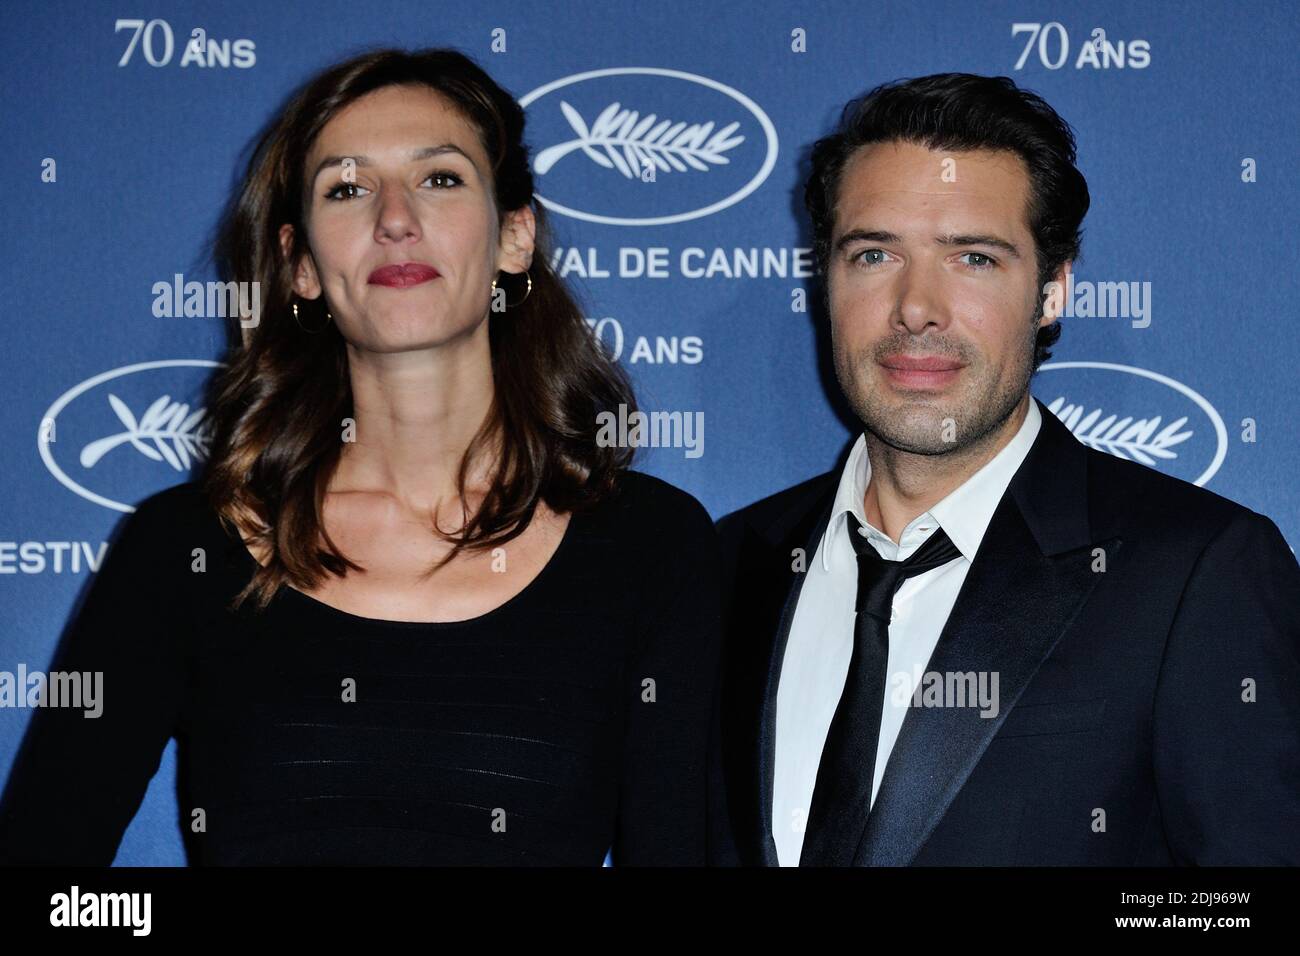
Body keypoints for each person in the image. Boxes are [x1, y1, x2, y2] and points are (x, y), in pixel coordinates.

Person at [0, 48, 720, 866]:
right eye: (346, 189)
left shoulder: (649, 547)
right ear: (301, 265)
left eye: (440, 178)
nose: (395, 218)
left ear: (515, 236)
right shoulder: (183, 549)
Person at [708, 73, 1300, 866]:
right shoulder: (727, 564)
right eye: (875, 253)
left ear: (1051, 291)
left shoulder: (1195, 571)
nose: (917, 307)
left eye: (974, 259)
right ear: (825, 279)